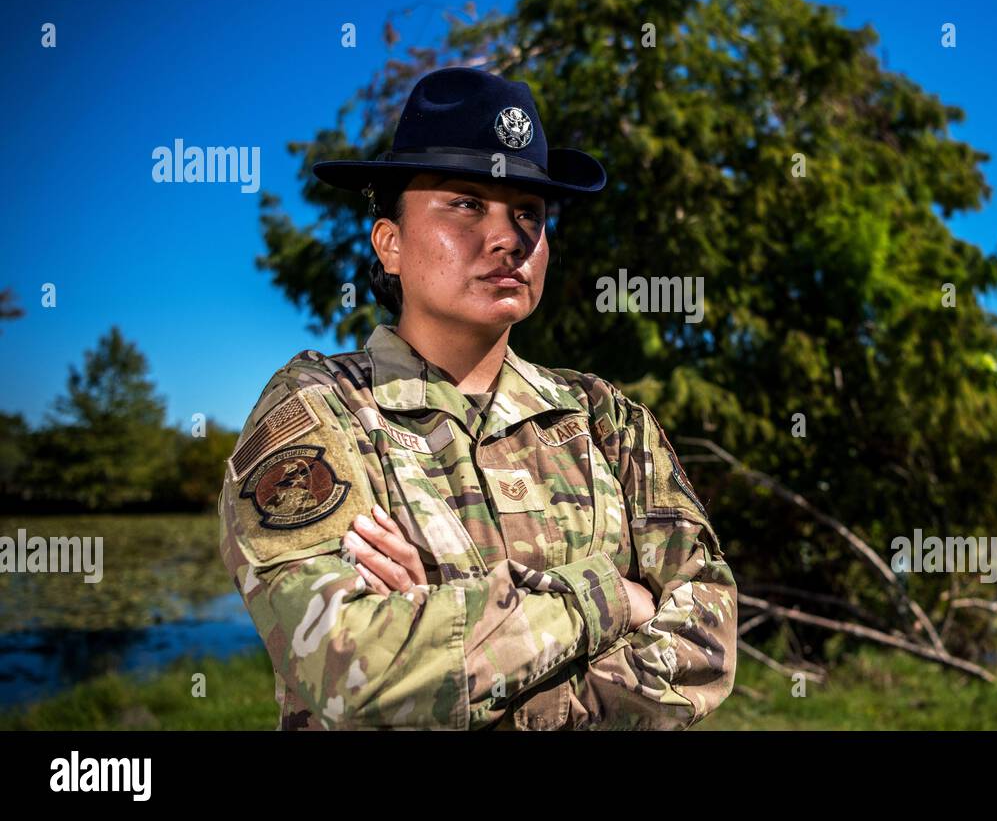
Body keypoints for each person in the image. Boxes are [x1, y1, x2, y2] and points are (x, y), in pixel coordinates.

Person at [217, 67, 738, 730]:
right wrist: (609, 598)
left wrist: (450, 639)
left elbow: (707, 636)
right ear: (391, 244)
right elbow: (350, 667)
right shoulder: (322, 408)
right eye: (466, 204)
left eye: (528, 213)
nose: (508, 237)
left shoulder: (607, 419)